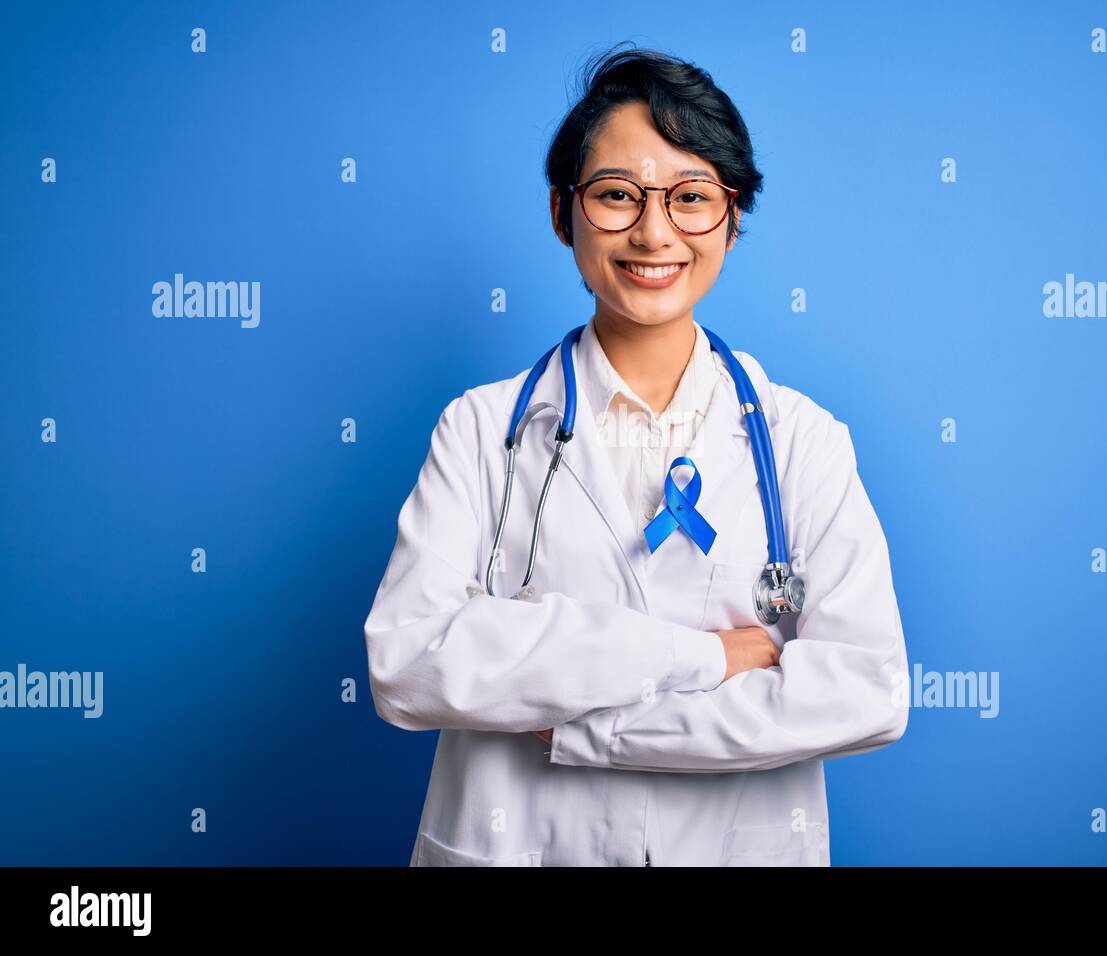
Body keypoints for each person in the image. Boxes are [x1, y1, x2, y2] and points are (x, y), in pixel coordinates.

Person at [363, 45, 909, 867]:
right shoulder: (481, 430)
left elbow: (867, 692)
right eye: (617, 196)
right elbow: (407, 666)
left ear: (731, 217)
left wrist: (598, 728)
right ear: (563, 213)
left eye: (691, 198)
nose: (655, 232)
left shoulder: (802, 442)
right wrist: (699, 657)